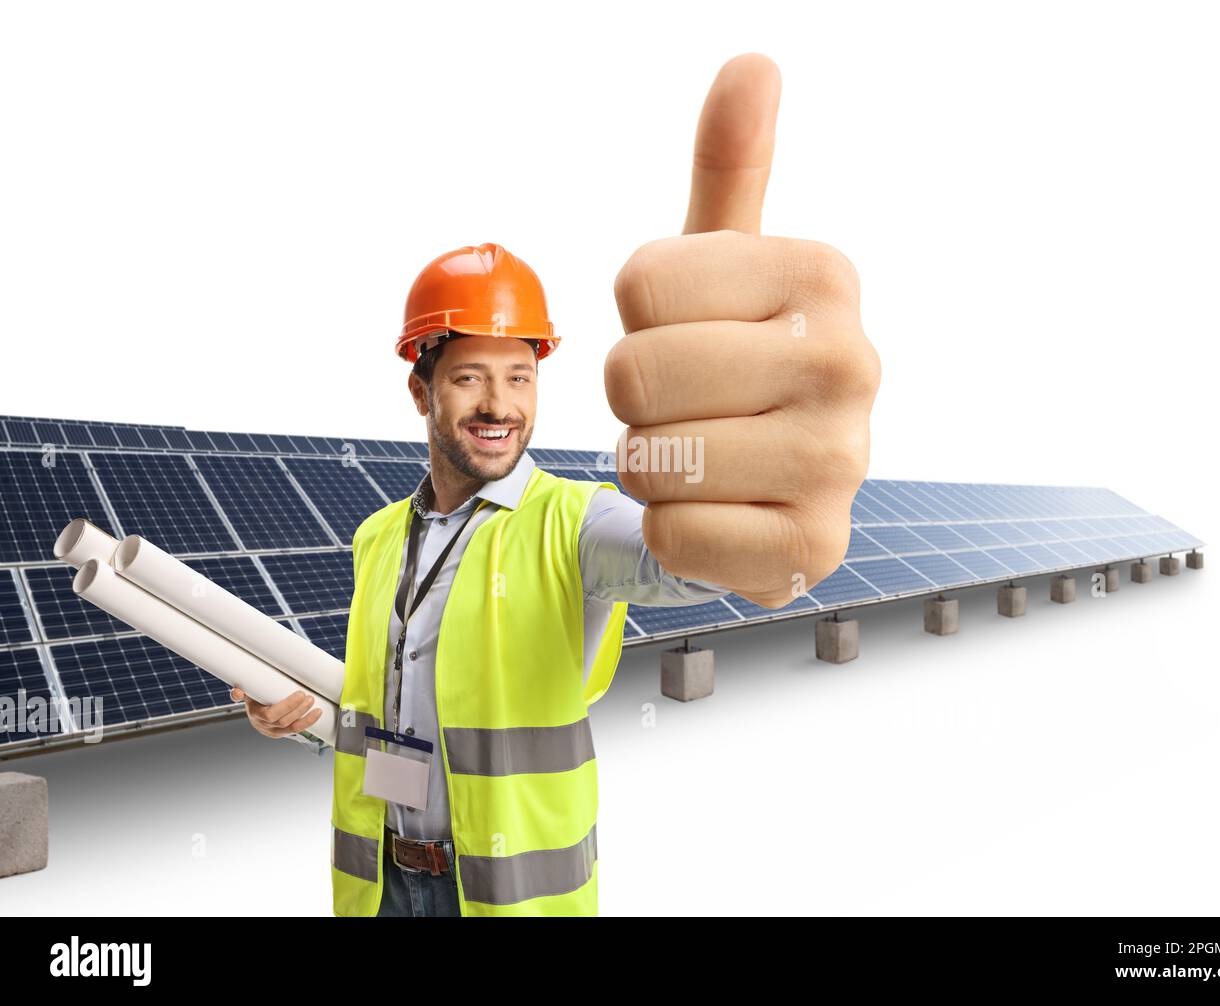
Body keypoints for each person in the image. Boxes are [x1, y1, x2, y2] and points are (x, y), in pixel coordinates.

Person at [235, 52, 879, 917]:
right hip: (378, 888)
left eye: (520, 374)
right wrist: (311, 719)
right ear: (421, 390)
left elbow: (686, 560)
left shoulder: (575, 526)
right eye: (468, 378)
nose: (499, 404)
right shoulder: (377, 538)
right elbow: (390, 730)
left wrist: (761, 508)